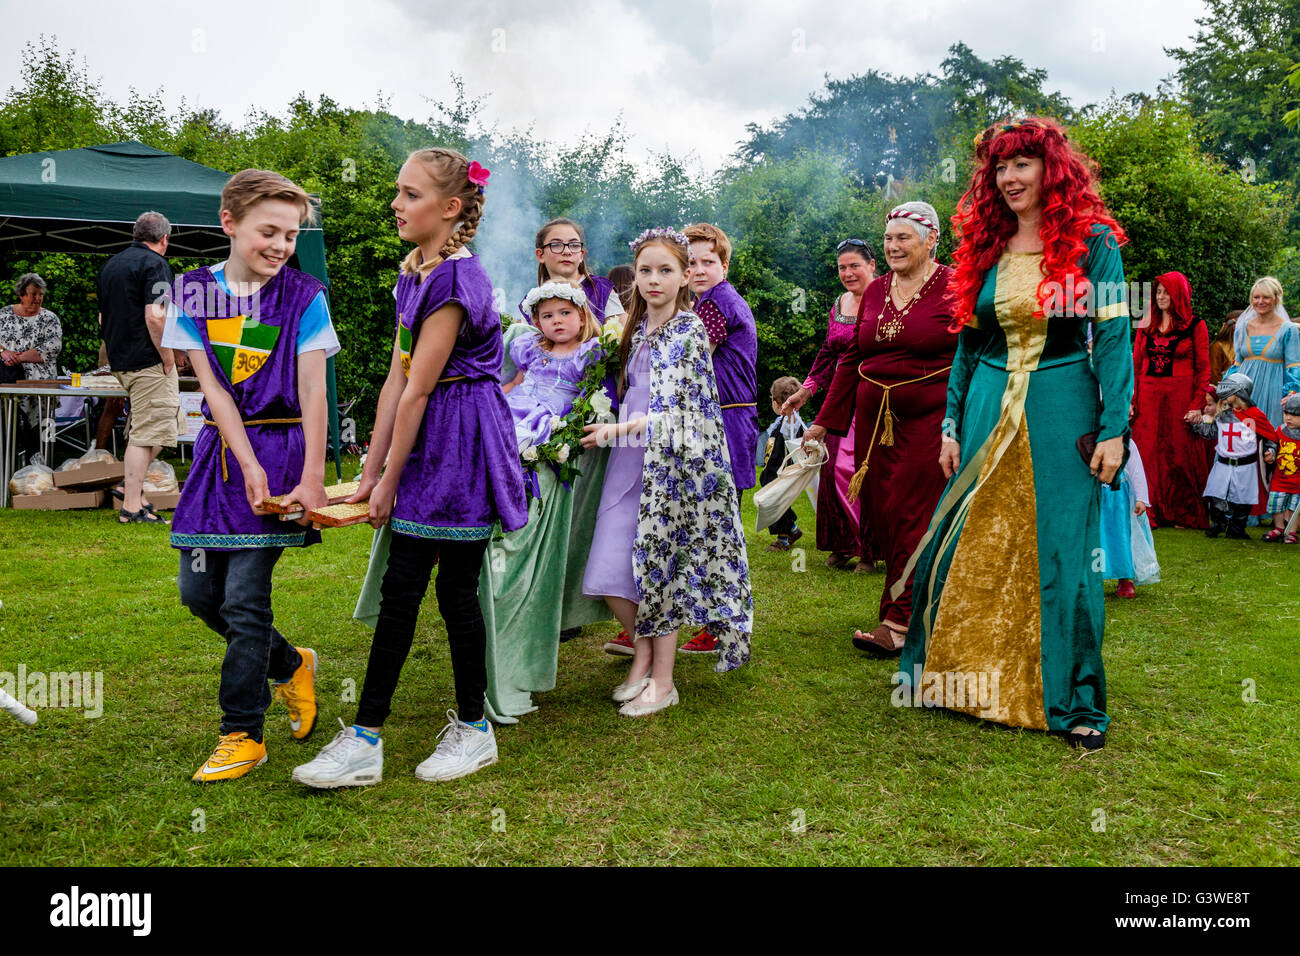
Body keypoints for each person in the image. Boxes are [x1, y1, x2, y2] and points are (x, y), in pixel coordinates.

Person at [292, 148, 527, 788]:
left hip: (460, 445)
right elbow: (397, 377)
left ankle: (466, 732)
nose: (395, 204)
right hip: (426, 438)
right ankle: (369, 738)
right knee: (404, 590)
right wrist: (372, 469)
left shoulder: (456, 282)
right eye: (398, 191)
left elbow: (421, 390)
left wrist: (390, 481)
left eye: (409, 194)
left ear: (450, 209)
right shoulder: (416, 272)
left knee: (452, 593)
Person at [897, 117, 1133, 750]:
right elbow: (969, 346)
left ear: (1050, 170)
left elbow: (1112, 339)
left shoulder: (1094, 242)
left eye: (1021, 165)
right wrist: (950, 423)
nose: (1008, 179)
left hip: (1062, 405)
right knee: (967, 534)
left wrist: (1115, 429)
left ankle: (1075, 700)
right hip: (984, 404)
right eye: (1000, 169)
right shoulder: (986, 245)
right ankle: (958, 680)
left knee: (1063, 550)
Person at [164, 170, 338, 782]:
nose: (281, 245)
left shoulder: (303, 294)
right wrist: (245, 465)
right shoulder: (189, 294)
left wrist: (312, 478)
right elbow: (214, 388)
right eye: (269, 231)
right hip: (225, 456)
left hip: (288, 453)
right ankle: (291, 663)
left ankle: (242, 732)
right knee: (199, 594)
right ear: (229, 223)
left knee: (243, 599)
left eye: (290, 235)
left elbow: (315, 392)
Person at [581, 227, 753, 715]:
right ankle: (641, 654)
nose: (654, 280)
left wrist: (614, 432)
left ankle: (663, 678)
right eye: (645, 271)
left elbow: (682, 414)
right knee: (611, 569)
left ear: (684, 278)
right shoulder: (636, 330)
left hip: (672, 467)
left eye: (666, 271)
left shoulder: (688, 329)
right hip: (627, 462)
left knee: (664, 566)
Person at [803, 203, 958, 655]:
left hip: (931, 417)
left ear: (931, 239)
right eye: (888, 239)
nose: (892, 247)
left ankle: (899, 621)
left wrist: (963, 415)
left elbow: (971, 353)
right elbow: (852, 358)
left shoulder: (954, 286)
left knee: (915, 513)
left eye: (903, 238)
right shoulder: (875, 292)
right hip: (874, 422)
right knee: (884, 512)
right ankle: (924, 607)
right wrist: (825, 420)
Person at [669, 221, 759, 657]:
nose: (699, 269)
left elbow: (681, 359)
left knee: (717, 526)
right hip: (722, 419)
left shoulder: (714, 305)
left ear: (725, 264)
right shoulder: (713, 301)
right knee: (710, 524)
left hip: (723, 420)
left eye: (708, 261)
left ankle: (720, 625)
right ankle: (712, 620)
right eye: (690, 263)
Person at [781, 239, 880, 571]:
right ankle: (843, 544)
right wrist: (805, 391)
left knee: (854, 470)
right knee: (831, 466)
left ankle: (870, 548)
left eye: (855, 266)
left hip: (871, 394)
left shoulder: (884, 299)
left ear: (872, 265)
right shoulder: (838, 304)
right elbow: (827, 355)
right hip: (838, 398)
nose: (848, 273)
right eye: (842, 267)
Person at [99, 211, 183, 522]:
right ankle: (131, 507)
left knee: (164, 426)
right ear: (164, 239)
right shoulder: (156, 264)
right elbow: (155, 315)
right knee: (148, 434)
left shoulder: (111, 265)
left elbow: (102, 318)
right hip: (147, 359)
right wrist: (168, 356)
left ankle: (131, 488)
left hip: (120, 359)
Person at [1129, 271, 1213, 530]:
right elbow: (1136, 363)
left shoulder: (1195, 325)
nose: (1161, 296)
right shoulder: (1146, 322)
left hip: (1179, 398)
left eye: (1166, 291)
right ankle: (1148, 510)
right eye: (1158, 291)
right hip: (1148, 398)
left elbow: (1204, 368)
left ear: (1179, 294)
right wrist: (1130, 400)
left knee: (1179, 455)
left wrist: (1196, 404)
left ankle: (1182, 514)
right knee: (1147, 452)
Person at [502, 280, 605, 450]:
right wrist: (494, 399)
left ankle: (521, 444)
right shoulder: (532, 347)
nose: (557, 321)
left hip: (552, 413)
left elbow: (587, 393)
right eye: (548, 316)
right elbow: (516, 383)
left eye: (565, 313)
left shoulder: (587, 352)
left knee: (533, 426)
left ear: (582, 318)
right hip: (520, 401)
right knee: (498, 419)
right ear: (538, 324)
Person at [1192, 373, 1277, 539]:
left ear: (1240, 393)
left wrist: (1270, 451)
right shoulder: (1223, 415)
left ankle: (1237, 529)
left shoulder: (1256, 416)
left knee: (1242, 500)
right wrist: (1197, 423)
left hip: (1246, 465)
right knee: (1216, 496)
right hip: (1223, 464)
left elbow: (1269, 437)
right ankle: (1217, 524)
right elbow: (1211, 433)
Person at [519, 218, 626, 325]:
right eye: (556, 245)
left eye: (574, 245)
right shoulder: (532, 300)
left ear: (581, 255)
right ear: (540, 255)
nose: (567, 251)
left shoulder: (601, 289)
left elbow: (620, 337)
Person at [0, 273, 62, 457]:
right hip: (8, 381)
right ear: (21, 294)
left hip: (42, 384)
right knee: (7, 429)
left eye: (40, 294)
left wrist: (18, 357)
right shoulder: (3, 314)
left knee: (44, 429)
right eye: (33, 294)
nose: (37, 298)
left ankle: (45, 465)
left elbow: (53, 346)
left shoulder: (50, 318)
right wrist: (3, 352)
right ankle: (8, 468)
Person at [1226, 277, 1300, 430]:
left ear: (1276, 299)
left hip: (1273, 392)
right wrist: (1227, 388)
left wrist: (1292, 393)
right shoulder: (1243, 327)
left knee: (1268, 439)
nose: (1260, 301)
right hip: (1243, 395)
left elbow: (1294, 366)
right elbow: (1237, 364)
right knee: (1242, 440)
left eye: (1266, 297)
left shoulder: (1288, 329)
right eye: (1256, 297)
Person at [1099, 441, 1159, 597]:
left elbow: (1136, 469)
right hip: (1095, 496)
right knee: (1098, 537)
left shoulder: (1126, 440)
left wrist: (1141, 498)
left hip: (1120, 497)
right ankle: (1094, 578)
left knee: (1122, 537)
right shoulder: (1087, 435)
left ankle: (1125, 579)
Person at [758, 375, 807, 552]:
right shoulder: (780, 421)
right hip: (770, 473)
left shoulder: (790, 422)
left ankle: (784, 538)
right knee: (773, 501)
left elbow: (792, 436)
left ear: (778, 404)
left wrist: (789, 412)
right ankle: (792, 529)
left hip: (779, 473)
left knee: (776, 501)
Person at [1262, 392, 1300, 542]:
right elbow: (1273, 445)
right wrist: (1270, 453)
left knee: (1294, 508)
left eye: (1294, 415)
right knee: (1276, 504)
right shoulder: (1280, 430)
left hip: (1298, 481)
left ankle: (1292, 531)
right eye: (1286, 413)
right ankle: (1279, 528)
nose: (1288, 418)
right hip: (1280, 478)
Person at [1209, 310, 1242, 386]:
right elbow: (1214, 375)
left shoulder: (1245, 345)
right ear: (1234, 326)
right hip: (1224, 390)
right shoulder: (1218, 346)